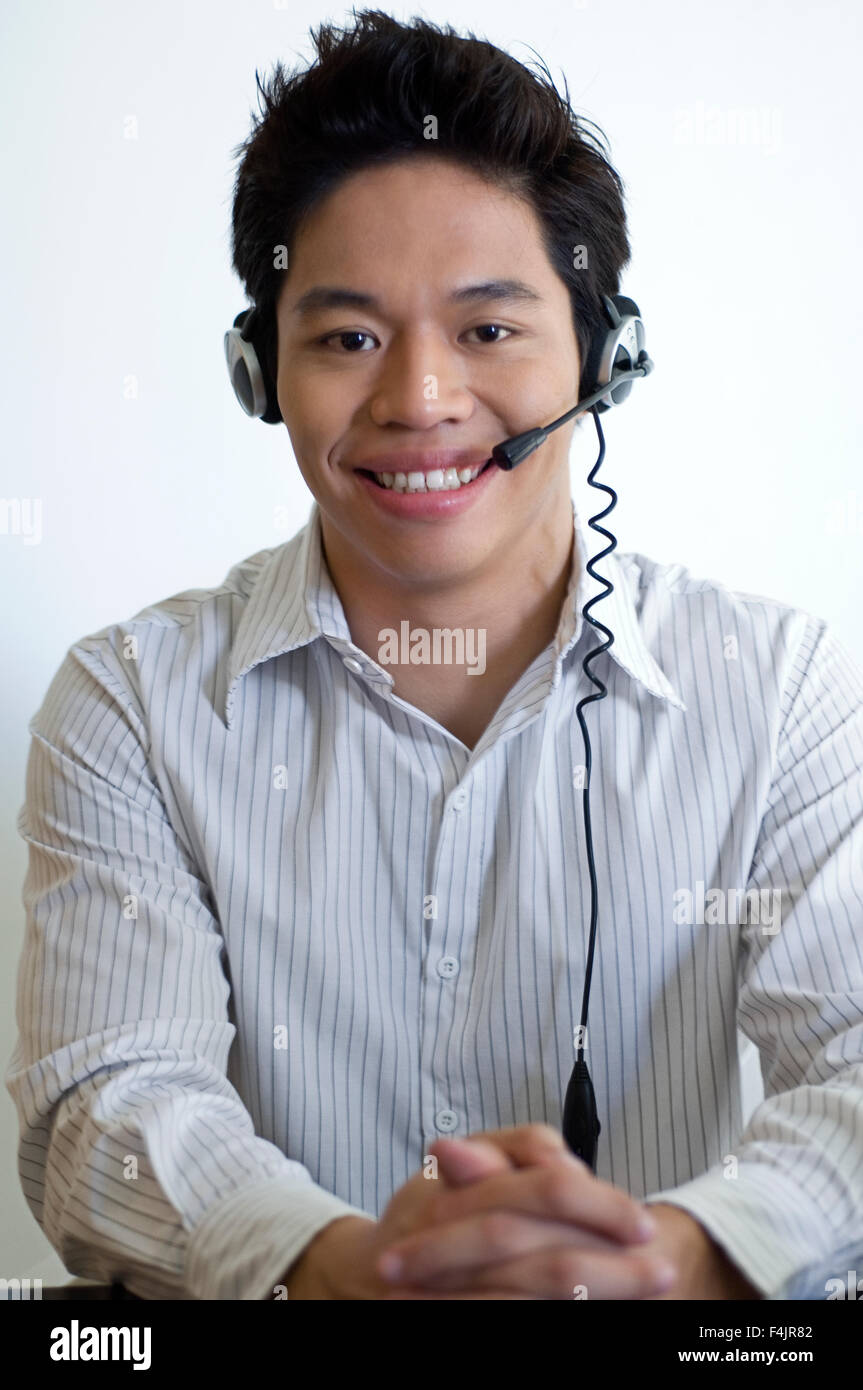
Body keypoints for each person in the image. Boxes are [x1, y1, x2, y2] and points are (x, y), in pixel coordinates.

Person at [7, 10, 863, 1301]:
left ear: (605, 357)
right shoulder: (131, 701)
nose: (418, 400)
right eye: (348, 337)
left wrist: (669, 1264)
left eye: (488, 330)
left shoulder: (780, 689)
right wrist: (352, 1272)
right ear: (258, 372)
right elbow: (110, 1101)